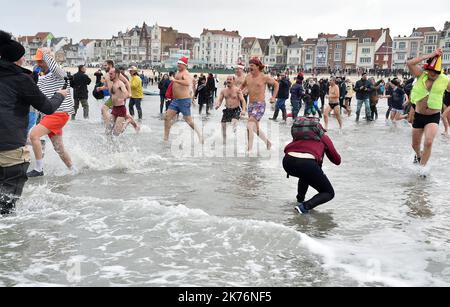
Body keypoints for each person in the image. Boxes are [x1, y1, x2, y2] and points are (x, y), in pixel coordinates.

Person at [0, 30, 66, 215]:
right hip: (10, 147)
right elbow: (47, 107)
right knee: (7, 209)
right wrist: (59, 96)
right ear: (18, 60)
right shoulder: (21, 79)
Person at [27, 48, 76, 178]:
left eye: (41, 61)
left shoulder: (59, 73)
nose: (39, 63)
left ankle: (39, 169)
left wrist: (46, 55)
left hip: (59, 113)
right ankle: (74, 170)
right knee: (59, 148)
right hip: (48, 115)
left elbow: (53, 66)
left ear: (49, 60)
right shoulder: (41, 75)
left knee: (33, 135)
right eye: (37, 61)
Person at [283, 117, 341, 215]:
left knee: (305, 176)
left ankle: (299, 200)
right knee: (328, 193)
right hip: (307, 164)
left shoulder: (298, 137)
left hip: (287, 162)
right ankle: (304, 207)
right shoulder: (323, 138)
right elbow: (336, 160)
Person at [408, 49, 450, 168]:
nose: (433, 74)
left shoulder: (445, 80)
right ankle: (418, 155)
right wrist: (431, 55)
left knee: (429, 142)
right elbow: (410, 63)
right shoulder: (421, 75)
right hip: (419, 115)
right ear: (427, 69)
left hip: (433, 116)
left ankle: (422, 169)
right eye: (431, 71)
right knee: (415, 145)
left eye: (436, 72)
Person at [240, 58, 279, 152]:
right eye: (249, 65)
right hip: (250, 105)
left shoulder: (264, 77)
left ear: (257, 67)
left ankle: (249, 150)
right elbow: (243, 85)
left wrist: (273, 97)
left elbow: (276, 84)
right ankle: (268, 143)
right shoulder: (248, 76)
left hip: (260, 105)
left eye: (252, 66)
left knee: (249, 125)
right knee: (255, 128)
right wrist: (240, 91)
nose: (250, 67)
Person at [164, 57, 203, 143]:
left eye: (180, 63)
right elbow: (191, 81)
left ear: (185, 65)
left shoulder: (185, 73)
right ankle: (165, 139)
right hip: (175, 100)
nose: (178, 65)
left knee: (189, 121)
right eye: (178, 63)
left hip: (184, 100)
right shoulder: (179, 72)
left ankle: (200, 135)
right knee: (167, 117)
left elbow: (187, 83)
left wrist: (174, 80)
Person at [215, 76, 247, 143]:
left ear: (233, 81)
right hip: (227, 110)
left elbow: (243, 101)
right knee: (223, 125)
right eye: (227, 79)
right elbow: (220, 100)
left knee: (233, 122)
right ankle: (224, 141)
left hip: (236, 110)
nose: (228, 81)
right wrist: (218, 104)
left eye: (230, 79)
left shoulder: (238, 90)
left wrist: (243, 110)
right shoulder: (223, 91)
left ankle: (235, 137)